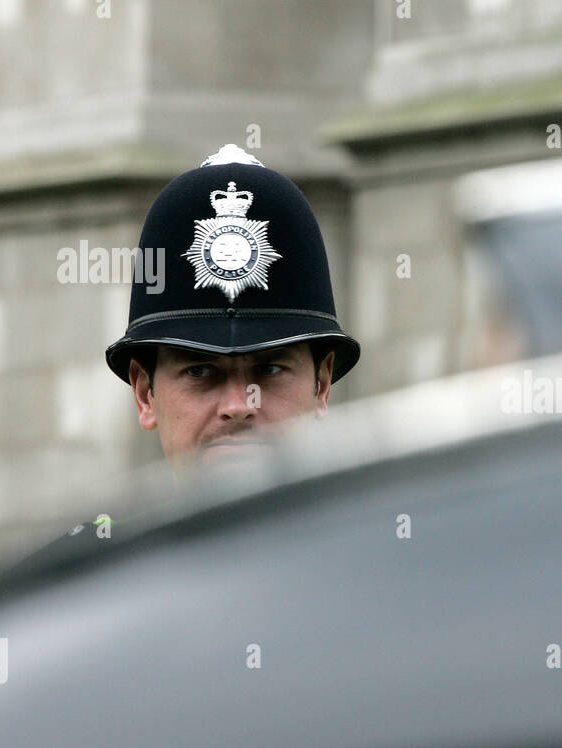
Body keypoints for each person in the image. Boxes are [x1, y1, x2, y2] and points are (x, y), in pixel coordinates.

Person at [24, 144, 360, 564]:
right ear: (145, 394)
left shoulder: (386, 575)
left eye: (270, 368)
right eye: (201, 371)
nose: (239, 406)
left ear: (322, 385)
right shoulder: (87, 588)